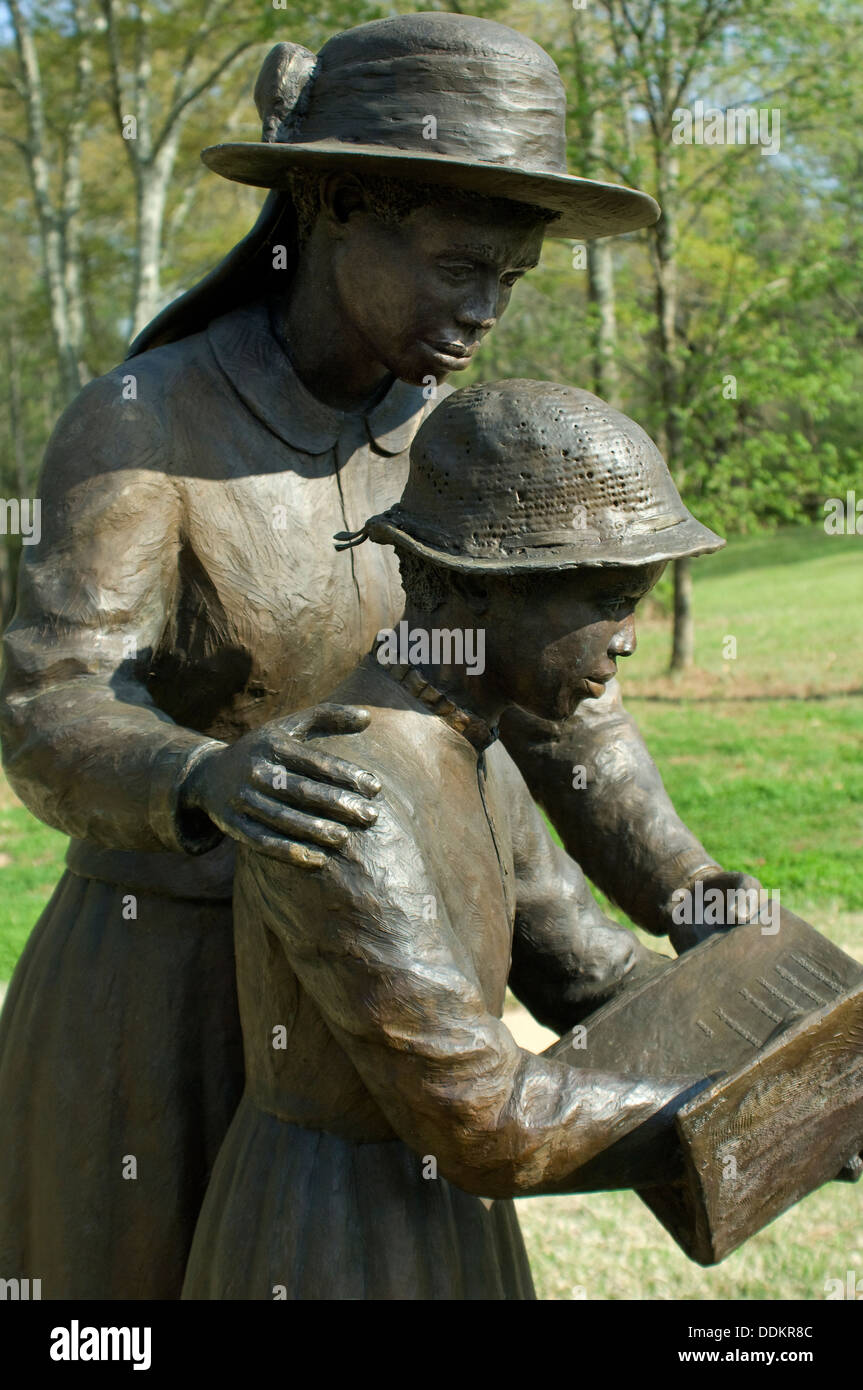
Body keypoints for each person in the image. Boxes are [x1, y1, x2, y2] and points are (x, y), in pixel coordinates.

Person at [0, 14, 751, 1299]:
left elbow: (567, 715)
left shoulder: (453, 438)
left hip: (390, 1011)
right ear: (337, 204)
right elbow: (49, 698)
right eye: (460, 265)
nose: (483, 312)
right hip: (164, 994)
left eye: (507, 281)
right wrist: (203, 780)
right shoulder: (148, 421)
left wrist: (703, 903)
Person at [181, 379, 727, 1301]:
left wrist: (792, 1037)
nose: (628, 640)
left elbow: (591, 977)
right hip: (328, 1237)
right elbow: (480, 1116)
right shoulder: (342, 790)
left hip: (449, 1219)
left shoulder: (480, 752)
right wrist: (740, 1117)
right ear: (479, 589)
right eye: (608, 599)